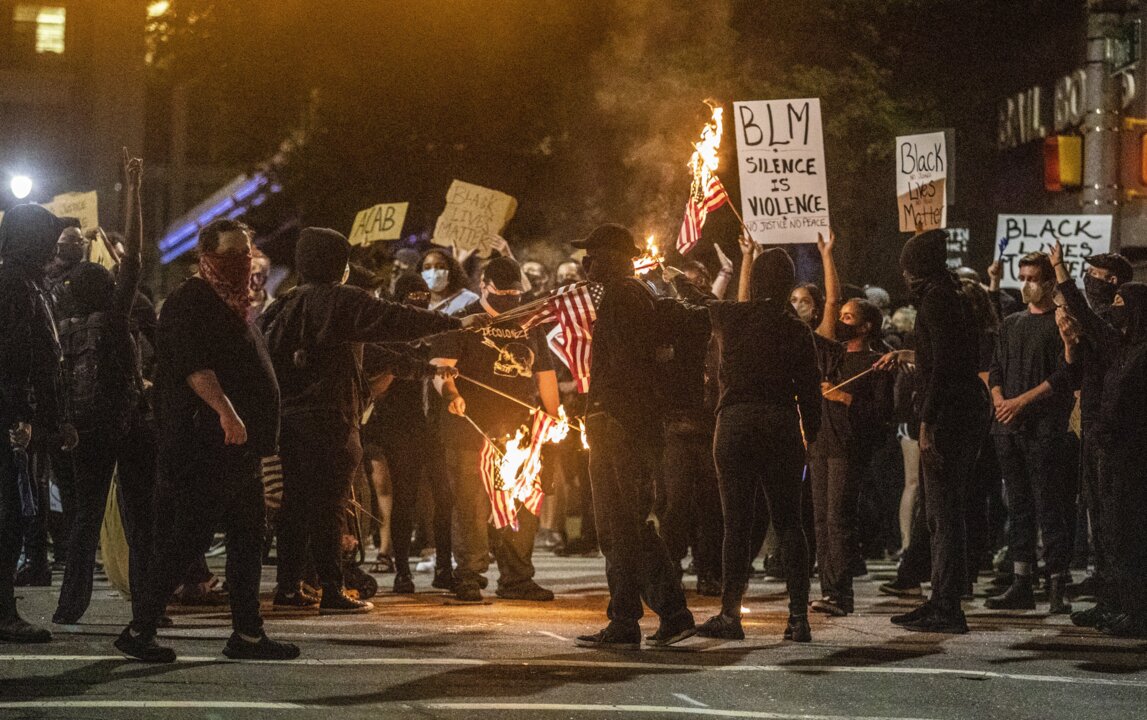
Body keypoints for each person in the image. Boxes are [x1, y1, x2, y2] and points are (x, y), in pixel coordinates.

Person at [262, 228, 481, 612]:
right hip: (331, 420)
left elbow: (378, 354)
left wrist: (425, 371)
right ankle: (332, 590)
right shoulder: (341, 300)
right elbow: (395, 320)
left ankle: (289, 587)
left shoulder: (281, 306)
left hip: (289, 423)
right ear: (337, 264)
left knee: (295, 506)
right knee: (331, 507)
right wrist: (453, 323)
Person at [114, 219, 296, 663]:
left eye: (246, 252)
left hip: (240, 450)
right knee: (185, 541)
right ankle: (140, 629)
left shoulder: (237, 304)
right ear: (207, 256)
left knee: (248, 539)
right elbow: (196, 367)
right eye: (231, 253)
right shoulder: (190, 299)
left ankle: (248, 634)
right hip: (204, 446)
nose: (242, 261)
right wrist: (227, 413)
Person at [675, 248, 822, 642]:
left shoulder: (733, 316)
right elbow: (810, 394)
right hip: (780, 424)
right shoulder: (797, 330)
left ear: (755, 280)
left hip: (736, 423)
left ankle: (729, 614)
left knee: (736, 524)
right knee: (789, 522)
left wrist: (674, 276)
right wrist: (812, 436)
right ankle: (798, 619)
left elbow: (698, 299)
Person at [572, 224, 694, 651]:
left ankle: (657, 614)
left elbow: (627, 369)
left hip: (621, 428)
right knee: (619, 527)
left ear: (612, 256)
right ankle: (637, 617)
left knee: (624, 525)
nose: (586, 263)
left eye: (592, 254)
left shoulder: (625, 295)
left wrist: (608, 416)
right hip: (619, 425)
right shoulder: (628, 295)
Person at [53, 151, 156, 625]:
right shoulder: (115, 321)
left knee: (83, 520)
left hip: (83, 430)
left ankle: (70, 606)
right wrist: (134, 191)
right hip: (126, 423)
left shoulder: (63, 325)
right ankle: (146, 604)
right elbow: (133, 256)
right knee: (139, 518)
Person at [880, 229, 990, 633]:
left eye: (909, 267)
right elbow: (944, 357)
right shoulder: (950, 295)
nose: (905, 276)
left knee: (943, 514)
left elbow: (943, 370)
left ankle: (947, 606)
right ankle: (941, 598)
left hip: (951, 415)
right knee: (940, 512)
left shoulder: (937, 301)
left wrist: (925, 426)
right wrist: (911, 354)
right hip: (962, 409)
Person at [431, 256, 559, 603]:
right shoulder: (464, 319)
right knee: (471, 504)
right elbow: (441, 370)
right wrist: (453, 394)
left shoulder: (529, 323)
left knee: (521, 502)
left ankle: (517, 578)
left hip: (519, 430)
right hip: (469, 430)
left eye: (515, 293)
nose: (509, 299)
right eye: (502, 293)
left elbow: (545, 376)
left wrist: (553, 418)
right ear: (484, 286)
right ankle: (469, 576)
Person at [1049, 241, 1135, 631]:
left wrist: (1061, 271)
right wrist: (1069, 344)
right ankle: (1107, 598)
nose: (1089, 280)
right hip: (1095, 429)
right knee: (1097, 520)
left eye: (1094, 274)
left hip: (1113, 435)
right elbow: (1076, 370)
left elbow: (1085, 314)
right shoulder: (1104, 324)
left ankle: (1123, 603)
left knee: (1114, 523)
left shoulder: (1120, 327)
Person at [985, 252, 1077, 614]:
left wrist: (1020, 402)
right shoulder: (1012, 323)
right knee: (1018, 508)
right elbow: (995, 369)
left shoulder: (1061, 323)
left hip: (1044, 430)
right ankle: (1021, 581)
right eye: (1021, 276)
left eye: (1033, 277)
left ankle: (1057, 584)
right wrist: (999, 401)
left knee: (1049, 506)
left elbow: (1063, 376)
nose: (1026, 284)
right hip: (1008, 430)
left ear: (1050, 282)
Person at [0, 203, 74, 643]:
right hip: (9, 420)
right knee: (9, 517)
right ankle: (4, 613)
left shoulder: (26, 283)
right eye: (46, 237)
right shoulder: (15, 286)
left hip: (14, 416)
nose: (54, 247)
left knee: (14, 515)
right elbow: (15, 359)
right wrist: (20, 417)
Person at [809, 296, 894, 617]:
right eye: (841, 316)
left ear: (865, 325)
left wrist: (844, 397)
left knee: (838, 519)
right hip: (820, 445)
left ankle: (841, 594)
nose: (841, 322)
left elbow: (883, 411)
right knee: (820, 521)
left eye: (849, 317)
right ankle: (827, 590)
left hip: (848, 447)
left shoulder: (877, 362)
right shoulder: (832, 355)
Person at [421, 248, 478, 315]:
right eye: (427, 268)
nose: (433, 272)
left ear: (451, 271)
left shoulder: (469, 300)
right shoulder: (416, 303)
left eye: (441, 267)